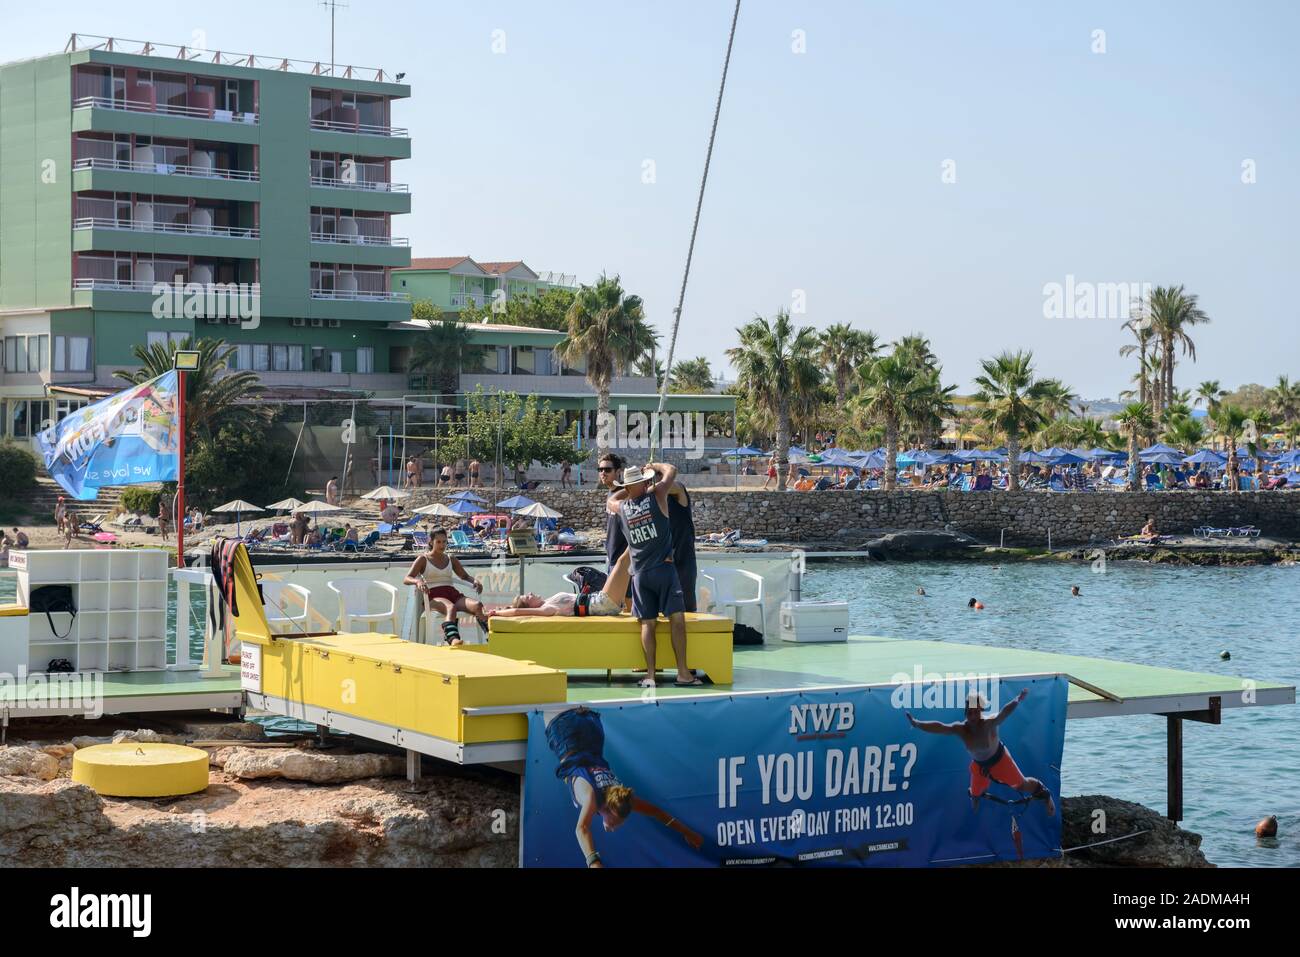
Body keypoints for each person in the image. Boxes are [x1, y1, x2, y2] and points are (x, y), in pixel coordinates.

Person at [545, 706, 704, 867]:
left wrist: (688, 833)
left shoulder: (623, 797)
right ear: (607, 808)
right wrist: (594, 862)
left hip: (591, 726)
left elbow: (657, 812)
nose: (613, 828)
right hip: (564, 730)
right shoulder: (592, 797)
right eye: (614, 822)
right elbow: (582, 829)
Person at [606, 463, 699, 688]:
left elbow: (610, 500)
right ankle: (683, 673)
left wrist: (626, 488)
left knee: (647, 624)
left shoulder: (623, 507)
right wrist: (653, 468)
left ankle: (650, 675)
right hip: (665, 570)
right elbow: (672, 471)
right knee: (677, 620)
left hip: (639, 575)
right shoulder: (657, 494)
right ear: (645, 482)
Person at [906, 690, 1056, 818]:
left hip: (1000, 760)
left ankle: (1045, 794)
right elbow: (940, 727)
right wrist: (917, 723)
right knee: (975, 793)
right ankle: (975, 801)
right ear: (966, 712)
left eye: (976, 712)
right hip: (979, 766)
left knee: (1021, 785)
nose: (973, 716)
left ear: (981, 711)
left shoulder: (989, 723)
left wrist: (1018, 699)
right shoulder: (961, 728)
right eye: (970, 713)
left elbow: (1004, 712)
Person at [402, 527, 486, 645]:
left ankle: (490, 636)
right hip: (433, 596)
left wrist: (475, 581)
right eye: (438, 542)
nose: (442, 545)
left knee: (477, 606)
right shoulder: (423, 559)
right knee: (451, 608)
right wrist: (418, 582)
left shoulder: (450, 558)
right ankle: (452, 639)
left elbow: (464, 576)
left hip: (452, 593)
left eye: (444, 541)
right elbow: (406, 578)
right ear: (431, 542)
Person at [490, 550, 632, 619]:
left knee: (627, 564)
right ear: (531, 606)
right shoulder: (547, 609)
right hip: (602, 603)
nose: (530, 593)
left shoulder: (549, 602)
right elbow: (516, 612)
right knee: (622, 562)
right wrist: (495, 612)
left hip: (603, 602)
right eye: (528, 597)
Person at [665, 476, 699, 613]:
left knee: (686, 609)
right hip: (663, 563)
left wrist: (656, 468)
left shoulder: (678, 490)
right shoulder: (651, 499)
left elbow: (671, 486)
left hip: (683, 561)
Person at [597, 452, 628, 584]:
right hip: (611, 558)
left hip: (623, 562)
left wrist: (624, 561)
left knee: (625, 603)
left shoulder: (626, 493)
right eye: (600, 469)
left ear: (618, 472)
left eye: (608, 469)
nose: (603, 473)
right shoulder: (610, 493)